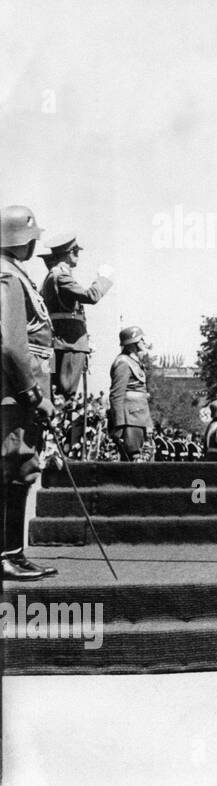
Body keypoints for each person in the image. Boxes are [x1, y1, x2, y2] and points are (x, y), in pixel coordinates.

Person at [1, 205, 59, 580]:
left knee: (20, 470)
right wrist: (33, 394)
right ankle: (7, 556)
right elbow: (10, 345)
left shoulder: (16, 274)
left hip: (21, 392)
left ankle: (14, 554)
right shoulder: (8, 277)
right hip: (17, 393)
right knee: (14, 468)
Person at [38, 233, 114, 398]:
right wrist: (103, 278)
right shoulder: (61, 275)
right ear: (69, 253)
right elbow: (91, 296)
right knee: (64, 394)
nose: (78, 256)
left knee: (50, 390)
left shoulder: (51, 276)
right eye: (76, 252)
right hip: (69, 344)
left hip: (56, 343)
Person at [108, 325, 151, 461]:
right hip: (129, 420)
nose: (144, 342)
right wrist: (119, 424)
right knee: (133, 458)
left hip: (138, 418)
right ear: (132, 343)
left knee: (142, 459)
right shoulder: (123, 363)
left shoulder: (134, 362)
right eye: (141, 339)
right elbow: (116, 395)